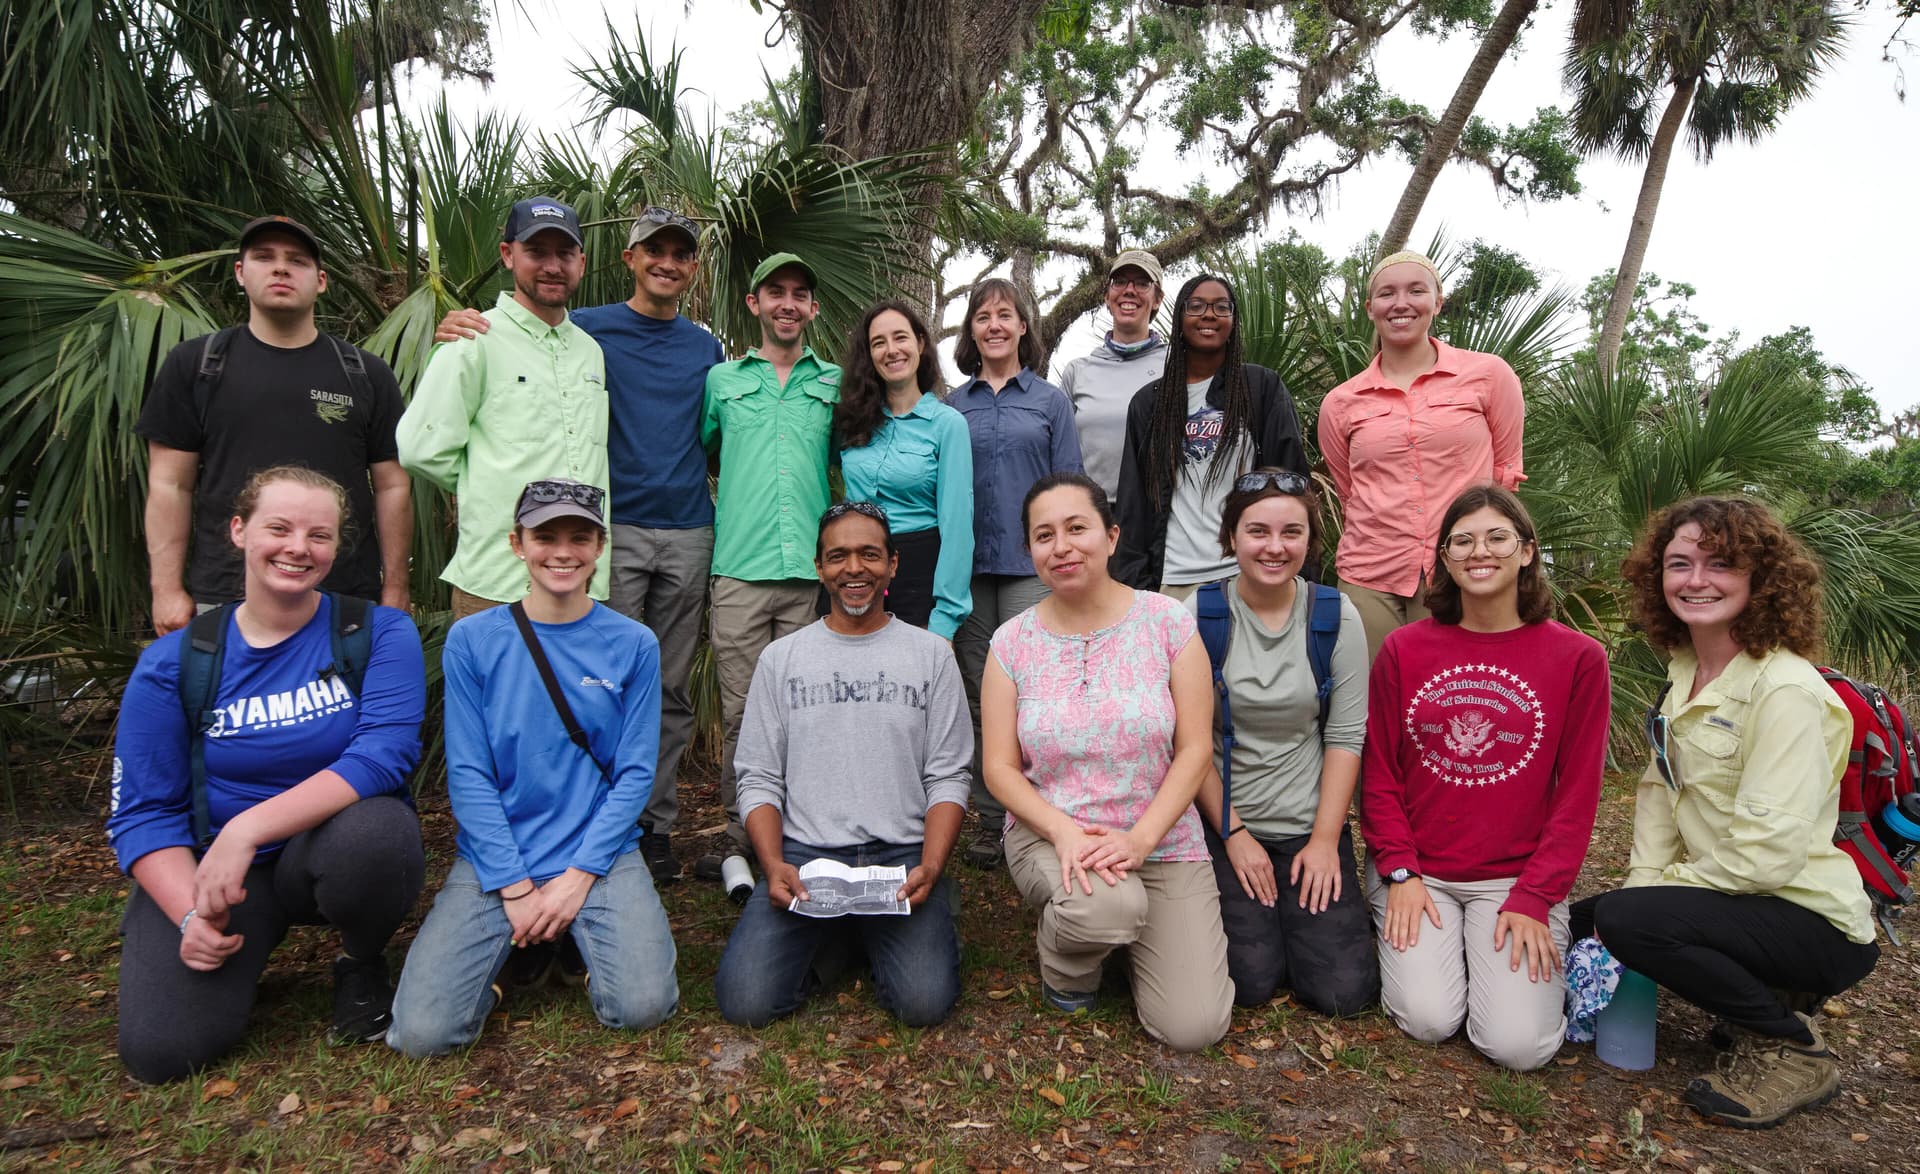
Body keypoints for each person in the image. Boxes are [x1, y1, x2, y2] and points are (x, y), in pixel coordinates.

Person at [108, 465, 426, 1083]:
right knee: (163, 1052)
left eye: (319, 535)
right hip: (221, 876)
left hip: (322, 850)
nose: (298, 548)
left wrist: (246, 829)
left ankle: (360, 962)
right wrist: (190, 915)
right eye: (278, 528)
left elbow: (381, 757)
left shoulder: (376, 632)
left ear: (337, 547)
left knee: (381, 833)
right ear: (238, 530)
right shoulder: (175, 662)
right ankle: (233, 948)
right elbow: (143, 812)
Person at [433, 206, 720, 884]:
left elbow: (712, 435)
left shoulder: (704, 346)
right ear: (627, 259)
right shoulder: (585, 331)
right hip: (604, 537)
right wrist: (458, 327)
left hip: (687, 529)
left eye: (681, 253)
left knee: (669, 688)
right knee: (597, 689)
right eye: (655, 250)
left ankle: (654, 825)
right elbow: (518, 345)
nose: (667, 263)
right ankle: (589, 820)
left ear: (692, 268)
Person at [1574, 497, 1879, 1129]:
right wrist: (1638, 891)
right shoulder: (1686, 670)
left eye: (1720, 564)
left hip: (1810, 918)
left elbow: (1765, 856)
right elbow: (1659, 798)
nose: (1695, 580)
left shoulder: (1787, 690)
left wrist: (1645, 908)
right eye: (1679, 563)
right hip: (1741, 901)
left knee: (1632, 920)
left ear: (1761, 578)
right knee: (1588, 919)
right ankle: (1761, 992)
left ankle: (1789, 1045)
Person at [387, 479, 677, 1055]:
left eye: (580, 537)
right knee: (422, 1034)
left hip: (598, 853)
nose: (562, 551)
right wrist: (515, 886)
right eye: (545, 536)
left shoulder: (634, 643)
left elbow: (635, 773)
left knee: (644, 1006)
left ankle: (573, 939)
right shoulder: (473, 641)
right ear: (517, 544)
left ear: (600, 547)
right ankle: (515, 955)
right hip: (501, 855)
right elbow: (468, 772)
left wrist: (578, 877)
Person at [1358, 485, 1609, 1071]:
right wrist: (1399, 870)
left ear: (1526, 551)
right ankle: (1445, 952)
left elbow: (1576, 797)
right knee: (1428, 1020)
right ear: (1444, 558)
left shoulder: (1577, 658)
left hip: (1514, 878)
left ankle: (1514, 953)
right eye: (1462, 541)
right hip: (1419, 870)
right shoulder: (1404, 648)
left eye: (1497, 537)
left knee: (1518, 1048)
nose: (1480, 551)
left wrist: (1535, 896)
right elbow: (1379, 775)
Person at [982, 472, 1233, 1052]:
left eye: (1077, 528)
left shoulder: (1168, 622)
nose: (1062, 546)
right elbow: (999, 768)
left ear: (1112, 536)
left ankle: (1117, 929)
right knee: (1107, 910)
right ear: (1029, 551)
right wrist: (1063, 831)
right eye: (1044, 536)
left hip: (1160, 836)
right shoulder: (1010, 643)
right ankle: (1070, 968)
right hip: (1052, 833)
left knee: (1193, 1028)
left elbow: (1195, 747)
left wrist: (1141, 840)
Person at [711, 502, 972, 1028]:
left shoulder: (931, 656)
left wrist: (933, 864)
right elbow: (758, 775)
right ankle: (847, 941)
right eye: (838, 556)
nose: (854, 568)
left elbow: (949, 773)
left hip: (901, 855)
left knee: (922, 1004)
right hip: (806, 859)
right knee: (746, 1002)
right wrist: (771, 864)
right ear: (819, 567)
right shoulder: (782, 660)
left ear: (893, 565)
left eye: (869, 555)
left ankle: (894, 926)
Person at [138, 215, 411, 634]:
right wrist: (166, 589)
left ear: (320, 281)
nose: (281, 268)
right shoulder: (196, 365)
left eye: (297, 261)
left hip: (344, 597)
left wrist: (395, 588)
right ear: (240, 273)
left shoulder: (365, 374)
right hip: (227, 593)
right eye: (264, 257)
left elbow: (392, 486)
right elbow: (170, 486)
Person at [1189, 470, 1377, 1016]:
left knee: (1342, 993)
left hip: (1308, 825)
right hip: (1229, 824)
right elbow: (1191, 742)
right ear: (1231, 538)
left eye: (1291, 532)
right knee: (1248, 983)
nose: (1275, 547)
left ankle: (1301, 925)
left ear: (1310, 541)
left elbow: (1345, 734)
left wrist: (1324, 841)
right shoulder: (1198, 617)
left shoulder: (1333, 616)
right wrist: (1234, 833)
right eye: (1257, 532)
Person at [397, 197, 609, 619]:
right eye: (536, 252)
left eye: (565, 253)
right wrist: (487, 481)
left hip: (583, 583)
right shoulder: (474, 339)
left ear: (581, 263)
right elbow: (419, 448)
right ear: (508, 255)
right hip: (499, 582)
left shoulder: (590, 352)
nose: (552, 265)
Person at [700, 251, 839, 875]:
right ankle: (740, 834)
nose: (788, 302)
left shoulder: (832, 383)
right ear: (754, 304)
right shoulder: (723, 381)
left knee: (809, 709)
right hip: (739, 571)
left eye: (799, 293)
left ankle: (804, 828)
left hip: (812, 577)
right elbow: (708, 450)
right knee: (742, 710)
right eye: (774, 291)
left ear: (812, 309)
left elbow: (846, 459)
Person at [1317, 250, 1525, 660]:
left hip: (1467, 565)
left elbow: (1505, 476)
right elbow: (1349, 491)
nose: (1401, 303)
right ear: (1370, 308)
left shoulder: (1487, 375)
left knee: (1466, 693)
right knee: (1379, 700)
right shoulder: (1341, 402)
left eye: (1416, 291)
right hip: (1371, 573)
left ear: (1437, 302)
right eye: (1387, 294)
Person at [950, 279, 1084, 869]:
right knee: (983, 695)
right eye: (983, 316)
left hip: (1034, 570)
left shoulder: (1050, 401)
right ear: (971, 331)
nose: (995, 325)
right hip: (970, 570)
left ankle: (1045, 809)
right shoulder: (954, 406)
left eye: (1006, 315)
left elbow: (1070, 484)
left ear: (1023, 327)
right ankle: (988, 816)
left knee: (1041, 692)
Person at [1112, 273, 1307, 598]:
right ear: (1180, 318)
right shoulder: (1150, 404)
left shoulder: (1261, 389)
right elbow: (1133, 504)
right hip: (1172, 578)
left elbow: (1292, 481)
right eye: (1197, 306)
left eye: (1221, 307)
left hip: (1246, 575)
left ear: (1234, 320)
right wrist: (1136, 586)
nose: (1209, 315)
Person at [834, 299, 974, 637]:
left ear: (920, 344)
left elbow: (957, 527)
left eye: (900, 338)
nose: (891, 350)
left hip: (920, 577)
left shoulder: (947, 424)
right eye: (878, 343)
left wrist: (945, 618)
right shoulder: (850, 422)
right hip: (857, 573)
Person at [1058, 250, 1167, 507]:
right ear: (1107, 297)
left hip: (1160, 514)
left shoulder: (1177, 367)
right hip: (1092, 514)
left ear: (1157, 299)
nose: (1129, 290)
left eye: (1142, 283)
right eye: (1120, 282)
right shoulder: (1077, 372)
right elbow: (1061, 454)